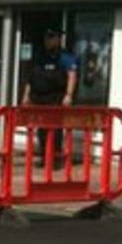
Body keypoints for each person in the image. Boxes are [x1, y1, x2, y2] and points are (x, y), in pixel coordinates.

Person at [22, 28, 78, 168]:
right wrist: (26, 96)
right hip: (39, 97)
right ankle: (44, 157)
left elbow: (72, 75)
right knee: (41, 129)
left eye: (52, 37)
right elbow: (31, 78)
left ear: (58, 39)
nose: (48, 40)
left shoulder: (65, 56)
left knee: (55, 129)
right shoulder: (40, 56)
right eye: (47, 37)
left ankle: (55, 159)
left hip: (55, 97)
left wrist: (68, 95)